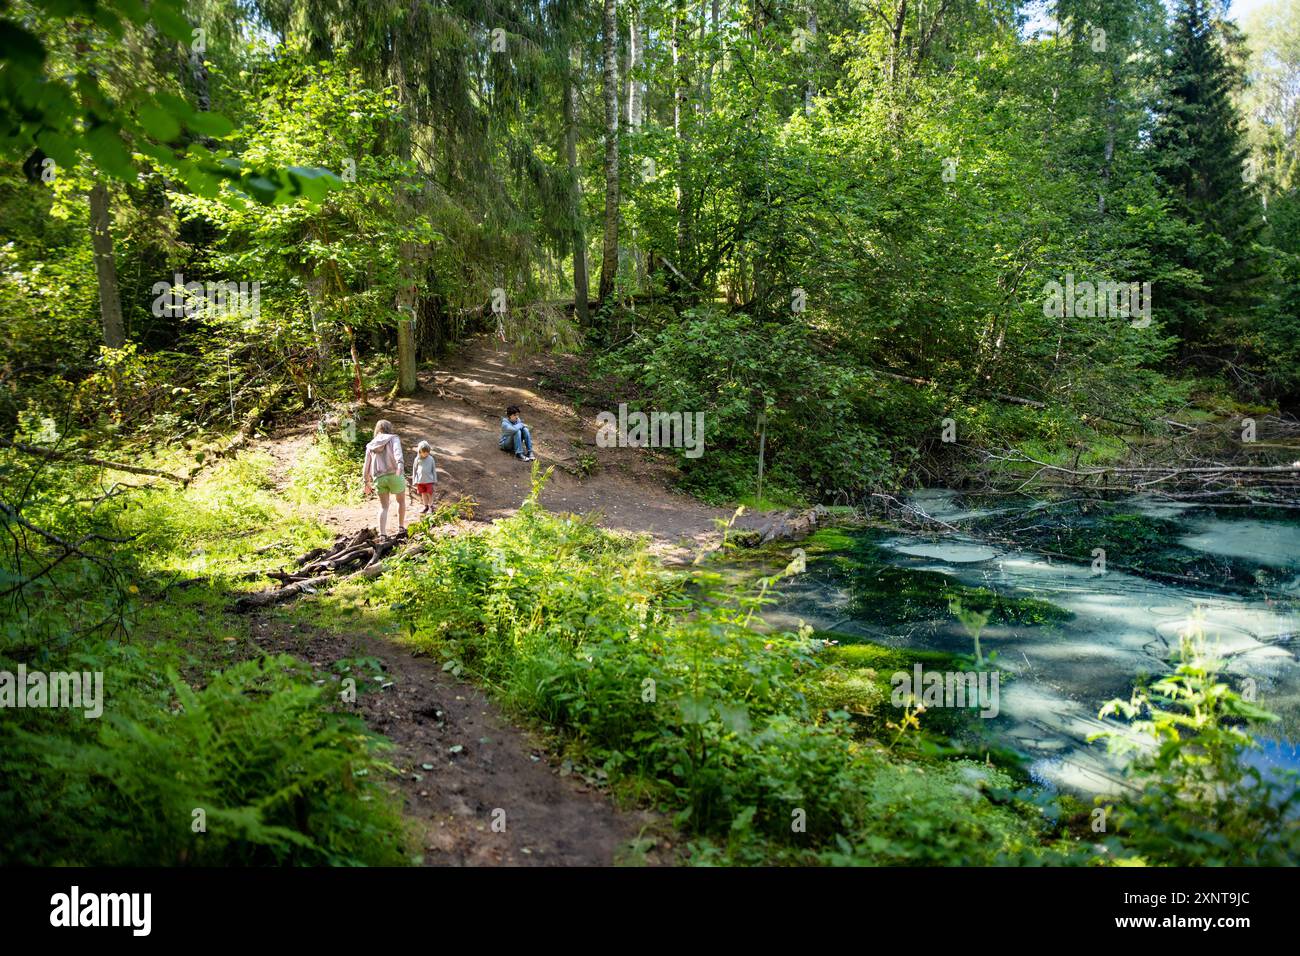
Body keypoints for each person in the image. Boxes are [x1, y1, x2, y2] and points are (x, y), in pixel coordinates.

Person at [362, 419, 406, 535]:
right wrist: (400, 465)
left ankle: (383, 534)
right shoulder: (393, 438)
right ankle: (401, 528)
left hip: (379, 478)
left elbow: (366, 465)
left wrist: (366, 482)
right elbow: (398, 453)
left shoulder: (371, 445)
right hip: (394, 474)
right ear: (389, 428)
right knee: (401, 501)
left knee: (384, 507)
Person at [411, 440, 438, 513]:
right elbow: (414, 470)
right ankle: (425, 506)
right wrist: (414, 480)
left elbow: (433, 470)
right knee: (423, 494)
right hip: (420, 481)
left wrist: (434, 479)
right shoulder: (417, 459)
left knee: (430, 493)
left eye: (427, 452)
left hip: (429, 480)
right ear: (420, 451)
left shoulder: (431, 459)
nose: (426, 454)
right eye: (424, 452)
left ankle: (431, 506)